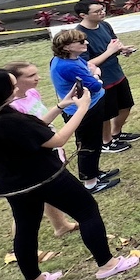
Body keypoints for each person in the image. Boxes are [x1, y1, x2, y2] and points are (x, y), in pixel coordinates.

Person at [0, 69, 140, 280]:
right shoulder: (8, 120)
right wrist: (82, 108)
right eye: (12, 87)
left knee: (26, 227)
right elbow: (57, 139)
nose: (17, 89)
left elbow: (35, 131)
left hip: (12, 185)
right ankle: (107, 264)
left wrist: (62, 105)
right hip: (45, 177)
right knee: (87, 210)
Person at [4, 61, 79, 237]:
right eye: (30, 76)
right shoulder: (11, 108)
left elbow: (42, 121)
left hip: (49, 146)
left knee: (49, 193)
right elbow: (29, 132)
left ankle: (61, 226)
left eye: (36, 73)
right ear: (14, 80)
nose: (37, 78)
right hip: (35, 156)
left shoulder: (31, 93)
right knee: (28, 207)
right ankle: (19, 248)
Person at [49, 29, 120, 194]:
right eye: (81, 42)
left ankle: (94, 174)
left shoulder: (68, 59)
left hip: (89, 106)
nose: (86, 43)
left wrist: (91, 71)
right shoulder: (67, 66)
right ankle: (90, 183)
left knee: (94, 143)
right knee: (88, 145)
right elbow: (95, 85)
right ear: (67, 47)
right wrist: (96, 74)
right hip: (83, 110)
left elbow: (86, 67)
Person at [74, 0, 139, 154]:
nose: (102, 13)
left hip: (116, 73)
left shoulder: (104, 25)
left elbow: (114, 43)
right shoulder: (79, 35)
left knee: (126, 105)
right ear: (83, 15)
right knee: (106, 113)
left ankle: (116, 134)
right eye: (97, 11)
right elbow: (85, 64)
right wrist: (109, 52)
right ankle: (106, 142)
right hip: (101, 80)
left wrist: (122, 49)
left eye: (102, 9)